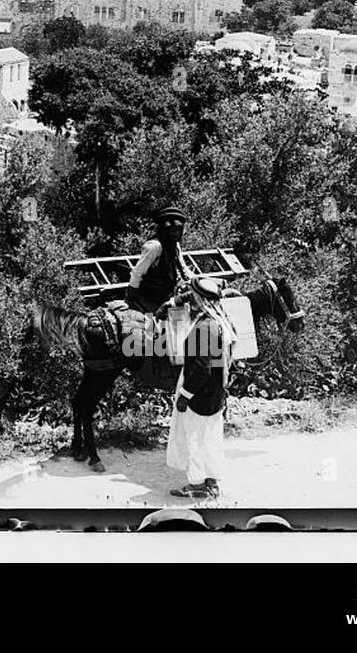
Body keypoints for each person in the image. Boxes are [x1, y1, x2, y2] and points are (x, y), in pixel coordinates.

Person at [166, 276, 236, 499]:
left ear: (198, 299)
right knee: (210, 438)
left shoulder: (204, 328)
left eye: (193, 296)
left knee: (194, 438)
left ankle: (197, 484)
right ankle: (211, 481)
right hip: (215, 391)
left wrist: (185, 395)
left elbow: (200, 368)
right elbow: (218, 364)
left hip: (200, 393)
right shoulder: (221, 323)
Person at [124, 204, 191, 313]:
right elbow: (138, 272)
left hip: (167, 295)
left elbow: (183, 269)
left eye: (178, 230)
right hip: (149, 298)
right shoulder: (155, 246)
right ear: (164, 230)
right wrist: (130, 297)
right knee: (153, 327)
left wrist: (197, 282)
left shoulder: (174, 246)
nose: (175, 234)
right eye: (172, 230)